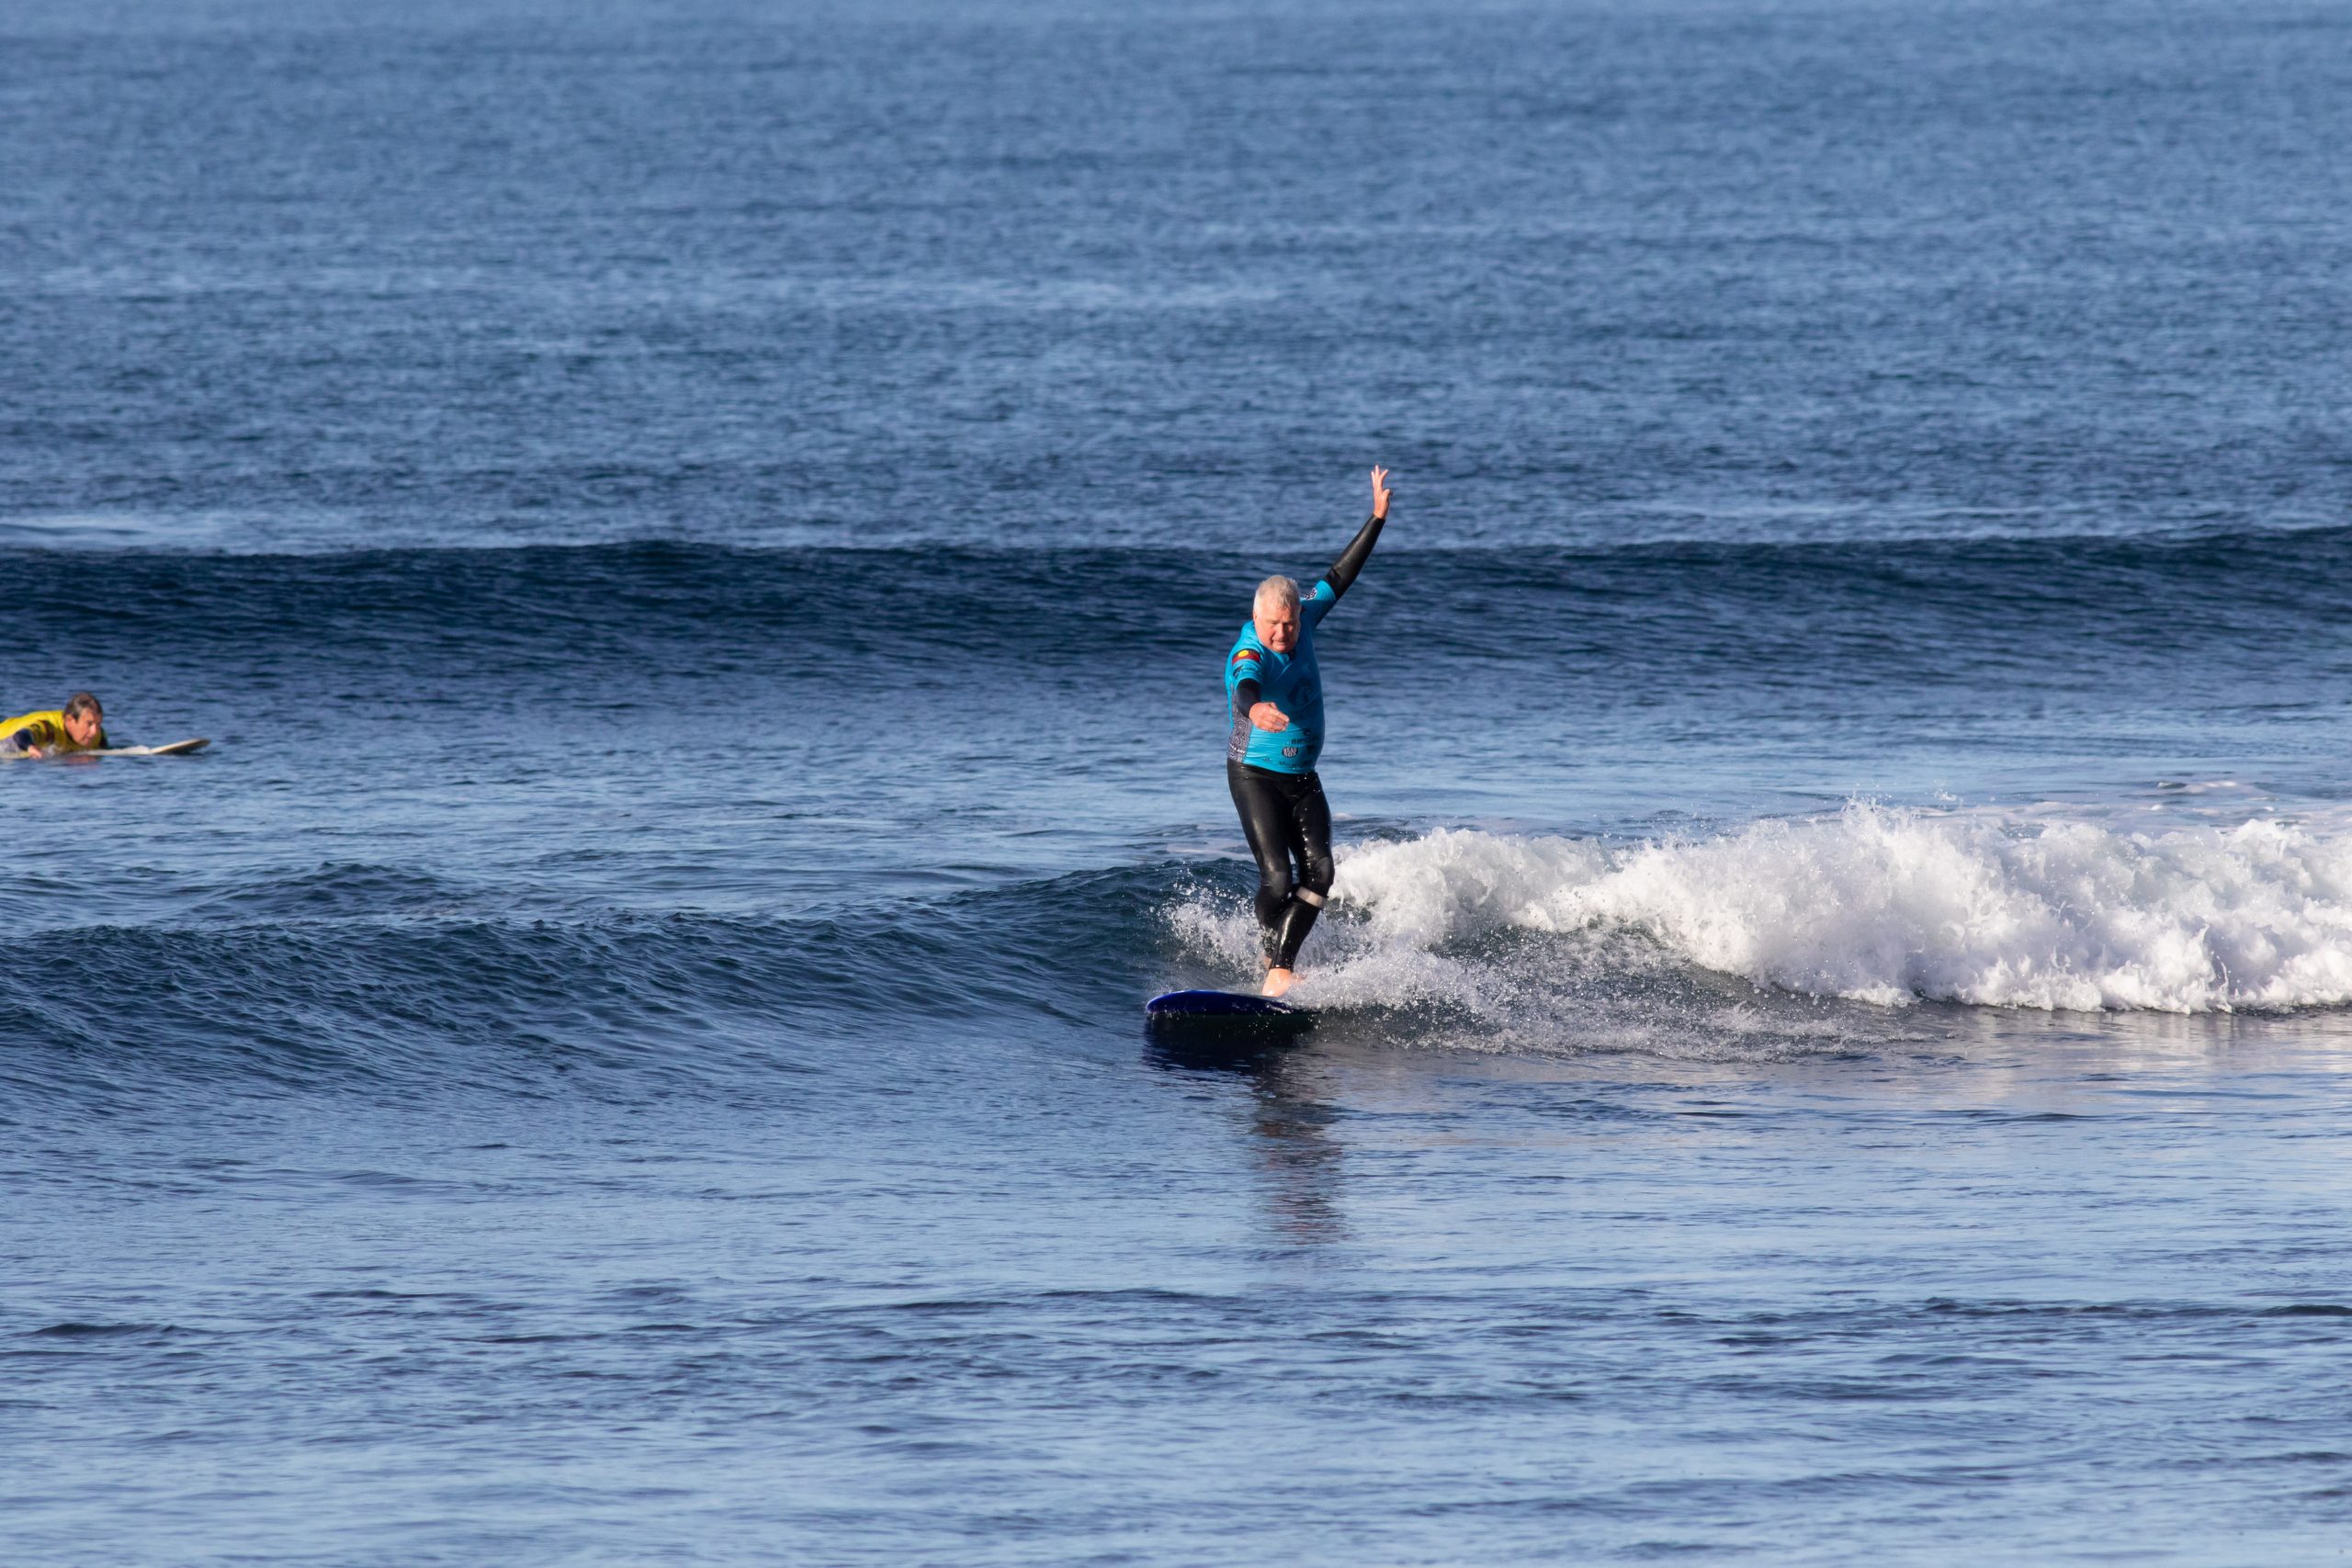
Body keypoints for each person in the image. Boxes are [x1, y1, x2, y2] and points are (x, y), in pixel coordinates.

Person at [1225, 467, 1392, 998]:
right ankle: (1274, 962)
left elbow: (1341, 576)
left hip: (1301, 775)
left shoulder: (1307, 620)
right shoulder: (1249, 649)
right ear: (1257, 615)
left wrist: (1377, 518)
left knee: (1320, 874)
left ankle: (1278, 960)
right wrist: (1253, 712)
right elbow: (1244, 687)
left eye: (1289, 624)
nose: (1282, 632)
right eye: (1273, 623)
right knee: (1277, 879)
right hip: (1254, 773)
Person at [3, 692, 109, 758]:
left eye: (98, 724)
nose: (94, 731)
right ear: (69, 720)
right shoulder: (50, 728)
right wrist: (32, 748)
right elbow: (21, 735)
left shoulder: (99, 737)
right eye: (89, 724)